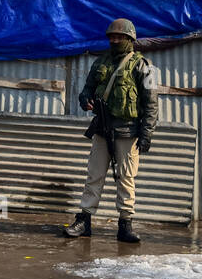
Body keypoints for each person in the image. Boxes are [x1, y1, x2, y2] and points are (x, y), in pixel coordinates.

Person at [63, 18, 158, 244]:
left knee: (126, 178)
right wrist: (85, 101)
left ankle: (125, 224)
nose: (115, 40)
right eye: (112, 37)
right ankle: (84, 220)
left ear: (130, 39)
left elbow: (151, 103)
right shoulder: (100, 63)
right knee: (93, 176)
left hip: (128, 132)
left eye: (119, 37)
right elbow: (85, 92)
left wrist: (146, 134)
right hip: (102, 129)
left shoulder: (144, 66)